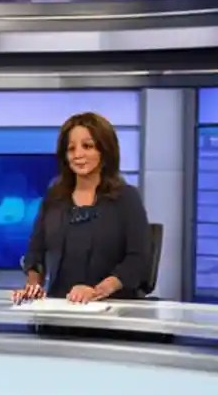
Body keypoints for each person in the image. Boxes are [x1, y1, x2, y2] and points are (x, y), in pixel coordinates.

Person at [12, 111, 152, 304]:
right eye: (71, 149)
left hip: (112, 311)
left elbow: (138, 260)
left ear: (104, 151)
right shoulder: (55, 198)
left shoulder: (126, 198)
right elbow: (35, 253)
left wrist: (96, 291)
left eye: (88, 146)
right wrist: (33, 286)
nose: (78, 155)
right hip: (59, 308)